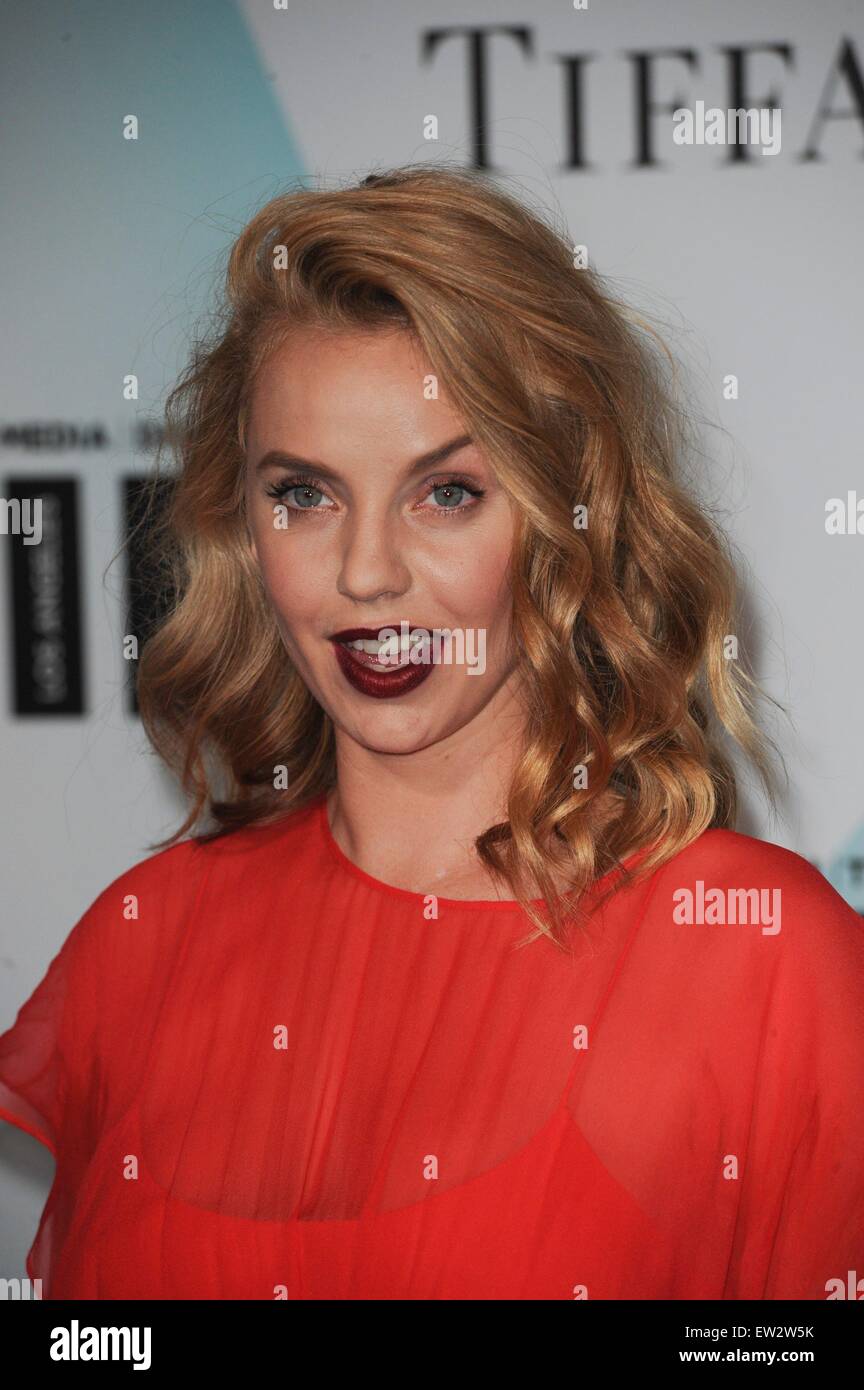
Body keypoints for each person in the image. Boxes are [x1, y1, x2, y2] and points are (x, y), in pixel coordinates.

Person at [1, 164, 862, 1301]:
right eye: (303, 494)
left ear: (566, 517)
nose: (365, 573)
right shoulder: (142, 944)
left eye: (445, 492)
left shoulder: (765, 960)